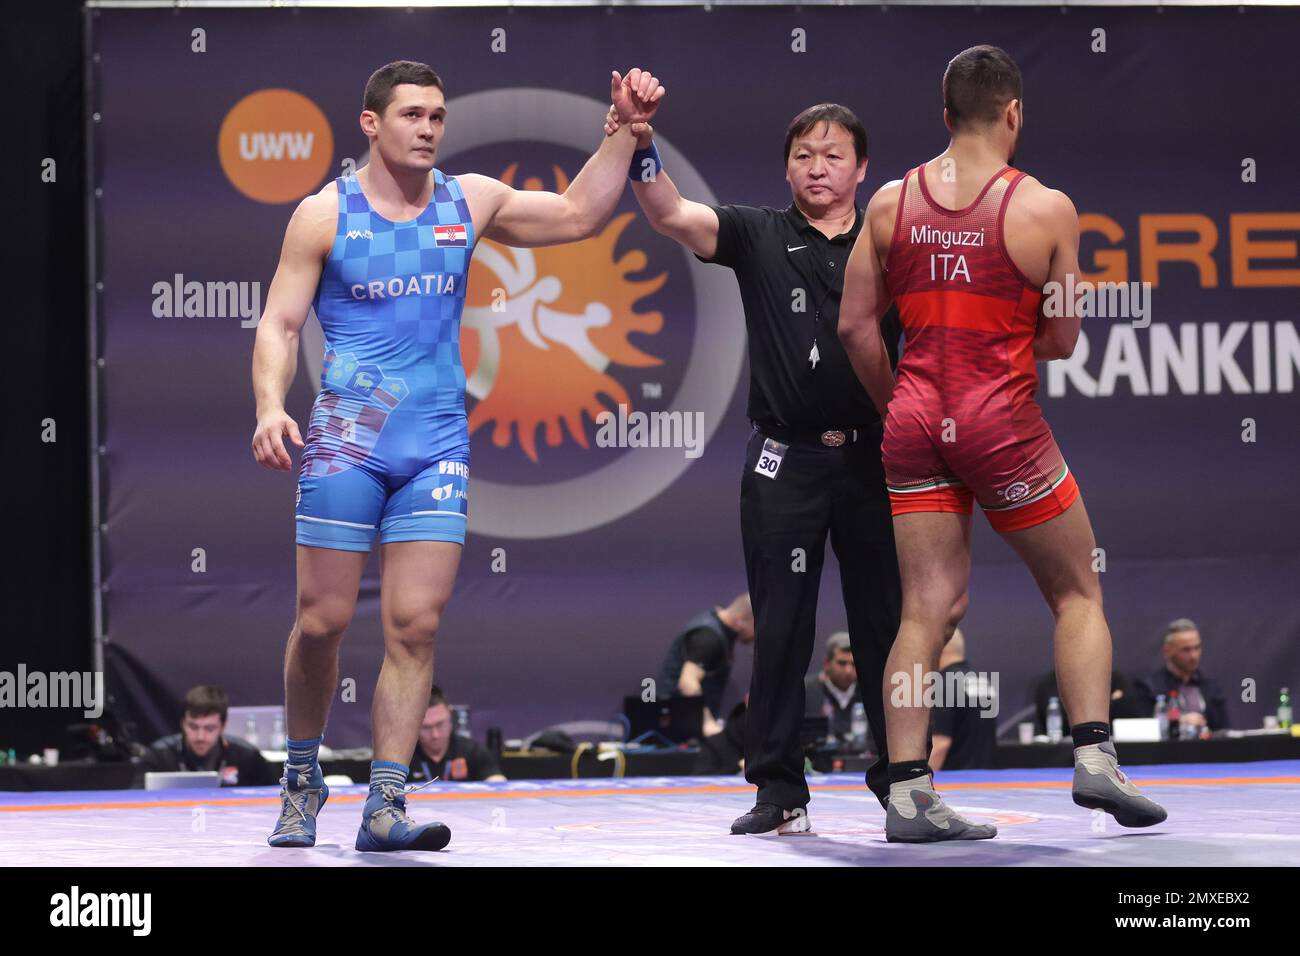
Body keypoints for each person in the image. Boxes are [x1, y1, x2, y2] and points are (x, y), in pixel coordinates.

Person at [251, 60, 664, 852]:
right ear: (371, 123)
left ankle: (385, 805)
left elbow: (578, 214)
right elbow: (277, 326)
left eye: (438, 115)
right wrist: (270, 406)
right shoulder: (322, 214)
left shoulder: (467, 201)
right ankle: (302, 780)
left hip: (436, 439)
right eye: (412, 115)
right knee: (323, 620)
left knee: (415, 624)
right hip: (348, 438)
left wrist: (626, 132)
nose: (430, 128)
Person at [838, 44, 1167, 842]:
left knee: (926, 609)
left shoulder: (887, 202)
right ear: (1013, 113)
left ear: (944, 114)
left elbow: (852, 325)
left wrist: (902, 402)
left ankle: (909, 792)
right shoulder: (1047, 209)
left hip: (916, 422)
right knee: (1077, 592)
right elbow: (1059, 340)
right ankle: (1093, 759)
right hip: (1001, 426)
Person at [605, 102, 903, 836]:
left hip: (876, 456)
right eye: (803, 155)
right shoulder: (758, 233)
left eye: (834, 156)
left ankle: (902, 782)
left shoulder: (894, 241)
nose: (817, 168)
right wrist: (641, 144)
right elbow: (670, 212)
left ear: (862, 169)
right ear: (786, 166)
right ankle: (779, 789)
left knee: (888, 629)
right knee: (780, 627)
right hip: (785, 461)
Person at [136, 686, 273, 787]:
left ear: (223, 726)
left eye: (210, 728)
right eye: (193, 727)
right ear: (183, 723)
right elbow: (135, 800)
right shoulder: (159, 755)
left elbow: (271, 801)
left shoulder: (247, 756)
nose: (200, 736)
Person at [657, 593, 754, 736]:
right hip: (677, 729)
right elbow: (687, 683)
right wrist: (708, 724)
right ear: (739, 620)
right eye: (756, 624)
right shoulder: (709, 638)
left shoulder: (716, 622)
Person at [1133, 618, 1228, 732]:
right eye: (1186, 650)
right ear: (1167, 651)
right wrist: (1177, 721)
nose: (1193, 656)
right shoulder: (1149, 687)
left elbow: (1224, 730)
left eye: (1197, 648)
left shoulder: (1211, 688)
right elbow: (1141, 729)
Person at [929, 629, 997, 771]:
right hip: (986, 782)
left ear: (937, 648)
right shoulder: (983, 682)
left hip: (954, 784)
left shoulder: (944, 685)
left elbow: (940, 745)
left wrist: (918, 784)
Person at [408, 687, 505, 783]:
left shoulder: (474, 752)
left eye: (440, 724)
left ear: (450, 716)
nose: (435, 735)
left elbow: (498, 784)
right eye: (426, 727)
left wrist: (496, 783)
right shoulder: (405, 758)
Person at [803, 631, 865, 745]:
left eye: (853, 663)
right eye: (842, 663)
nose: (848, 671)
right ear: (827, 663)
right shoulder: (805, 691)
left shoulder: (868, 693)